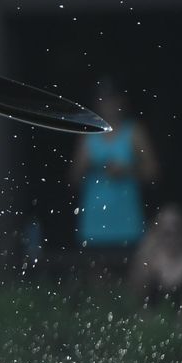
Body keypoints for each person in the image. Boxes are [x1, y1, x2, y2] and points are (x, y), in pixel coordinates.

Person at [69, 81, 158, 281]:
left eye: (112, 99)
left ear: (122, 102)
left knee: (132, 272)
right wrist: (85, 165)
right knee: (97, 275)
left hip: (127, 218)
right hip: (95, 219)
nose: (108, 104)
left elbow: (152, 172)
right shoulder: (88, 133)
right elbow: (73, 178)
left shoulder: (134, 132)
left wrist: (127, 169)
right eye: (103, 100)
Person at [127, 203, 182, 313]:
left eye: (175, 225)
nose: (170, 229)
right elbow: (138, 274)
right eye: (166, 227)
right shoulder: (149, 244)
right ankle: (149, 310)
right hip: (153, 288)